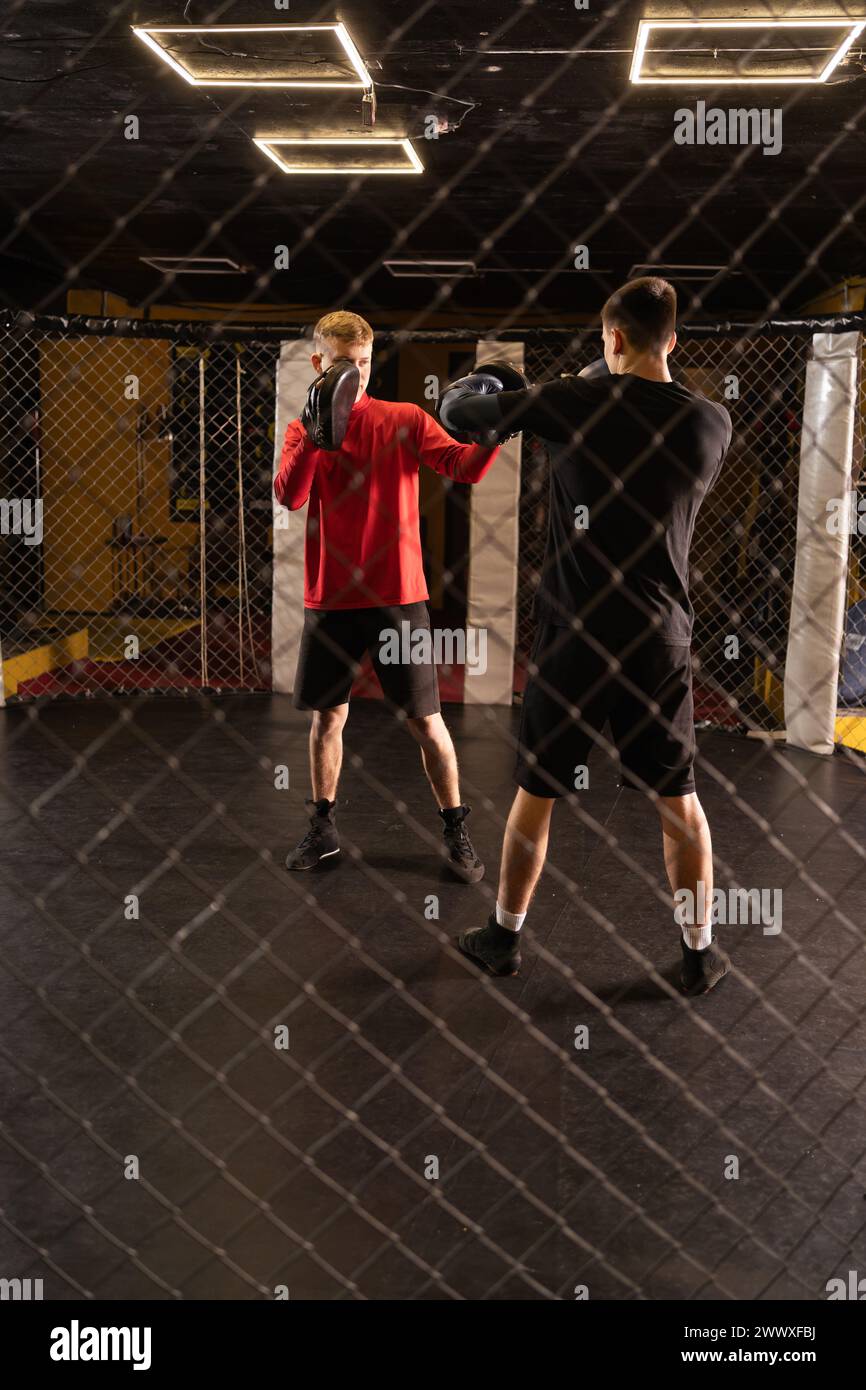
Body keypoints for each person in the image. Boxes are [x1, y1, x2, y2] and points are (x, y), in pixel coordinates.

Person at [437, 277, 733, 995]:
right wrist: (587, 379)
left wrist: (514, 385)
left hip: (575, 639)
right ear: (673, 339)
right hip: (659, 636)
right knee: (679, 803)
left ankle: (504, 939)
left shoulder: (572, 404)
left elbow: (459, 415)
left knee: (537, 795)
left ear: (613, 338)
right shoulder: (711, 422)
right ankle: (699, 954)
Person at [274, 310, 502, 882]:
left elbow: (462, 467)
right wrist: (316, 435)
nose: (359, 375)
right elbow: (290, 497)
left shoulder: (403, 417)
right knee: (329, 716)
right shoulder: (303, 429)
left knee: (426, 721)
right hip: (330, 598)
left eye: (367, 364)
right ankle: (322, 828)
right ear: (320, 364)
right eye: (347, 365)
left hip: (398, 597)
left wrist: (496, 432)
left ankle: (455, 828)